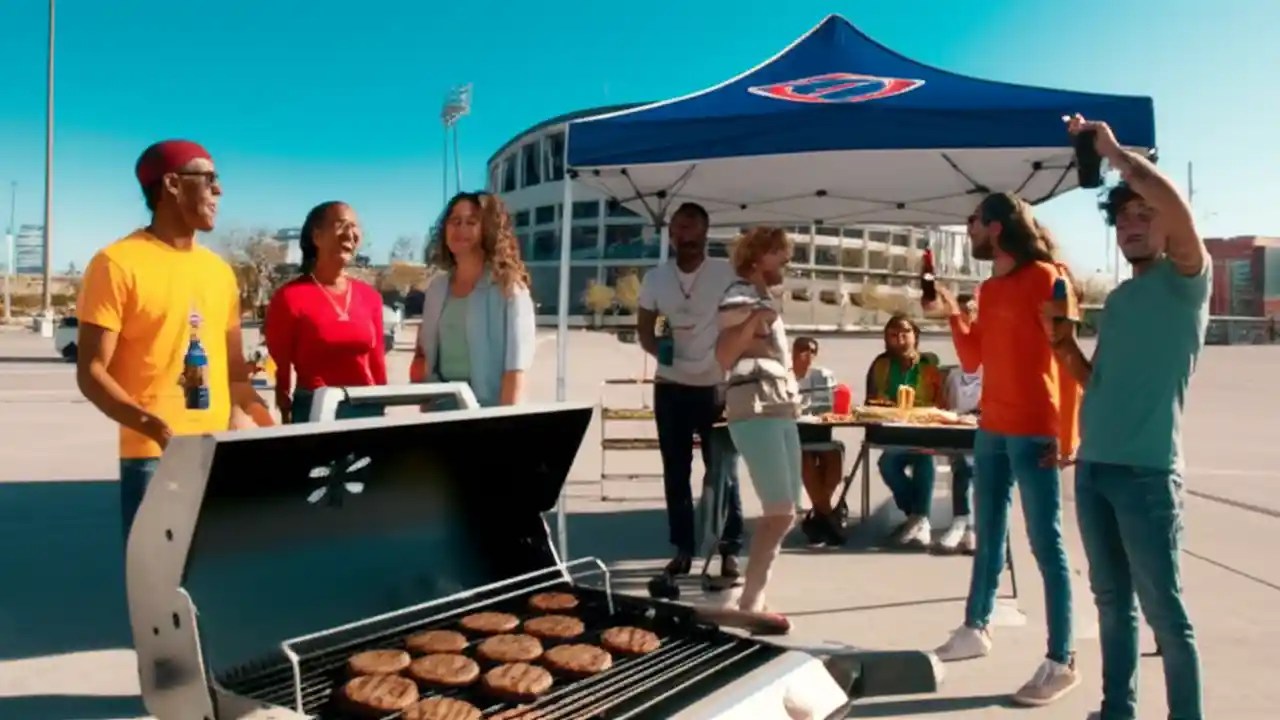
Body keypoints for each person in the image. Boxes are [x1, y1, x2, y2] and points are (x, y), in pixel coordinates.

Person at [1048, 114, 1207, 720]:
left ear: (1170, 224)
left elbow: (1171, 202)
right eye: (1123, 217)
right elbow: (1101, 384)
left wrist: (1113, 151)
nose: (1134, 224)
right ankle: (1118, 709)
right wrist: (1066, 351)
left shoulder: (1186, 281)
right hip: (1095, 470)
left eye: (1146, 214)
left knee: (1166, 613)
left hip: (1146, 475)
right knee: (1112, 601)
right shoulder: (1118, 300)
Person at [926, 192, 1082, 707]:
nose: (967, 231)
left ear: (993, 226)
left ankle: (1062, 660)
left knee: (1046, 545)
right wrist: (953, 311)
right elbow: (974, 358)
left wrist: (1069, 437)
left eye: (970, 222)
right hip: (991, 427)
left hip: (1036, 428)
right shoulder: (989, 289)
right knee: (987, 531)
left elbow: (1067, 362)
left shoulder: (1049, 277)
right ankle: (976, 627)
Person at [76, 139, 274, 540]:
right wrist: (156, 428)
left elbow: (235, 373)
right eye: (209, 179)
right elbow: (92, 372)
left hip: (218, 450)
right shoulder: (116, 264)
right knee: (156, 589)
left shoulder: (219, 272)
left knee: (217, 581)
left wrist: (255, 413)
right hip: (153, 459)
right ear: (171, 183)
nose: (219, 190)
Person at [636, 202, 744, 580]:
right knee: (675, 472)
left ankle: (730, 548)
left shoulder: (726, 273)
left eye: (693, 229)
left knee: (723, 471)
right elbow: (646, 330)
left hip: (716, 386)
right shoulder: (655, 279)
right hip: (670, 388)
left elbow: (742, 322)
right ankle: (683, 548)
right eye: (680, 229)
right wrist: (660, 348)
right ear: (671, 234)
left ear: (706, 233)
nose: (687, 236)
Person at [715, 226, 802, 628]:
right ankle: (750, 601)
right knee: (780, 510)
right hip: (755, 403)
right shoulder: (739, 294)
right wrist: (753, 321)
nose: (787, 259)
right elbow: (724, 353)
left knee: (786, 511)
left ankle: (751, 597)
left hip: (778, 404)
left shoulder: (760, 297)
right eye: (780, 253)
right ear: (758, 257)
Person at [411, 192, 536, 407]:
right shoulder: (436, 288)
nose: (460, 229)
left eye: (471, 222)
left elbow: (515, 369)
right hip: (440, 409)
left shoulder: (510, 289)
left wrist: (504, 424)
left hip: (488, 413)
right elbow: (426, 356)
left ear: (488, 230)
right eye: (455, 221)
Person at [266, 201, 387, 423]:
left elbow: (377, 363)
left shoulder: (370, 297)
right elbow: (280, 367)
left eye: (355, 226)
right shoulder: (289, 297)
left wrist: (382, 405)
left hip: (366, 408)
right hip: (315, 410)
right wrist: (285, 413)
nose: (350, 234)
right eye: (341, 225)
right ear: (317, 237)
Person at [865, 314, 946, 548]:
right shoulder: (881, 365)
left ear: (915, 336)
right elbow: (871, 402)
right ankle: (918, 516)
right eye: (893, 335)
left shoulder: (929, 364)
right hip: (894, 433)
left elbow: (941, 401)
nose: (900, 339)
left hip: (925, 432)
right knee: (887, 464)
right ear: (886, 339)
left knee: (924, 459)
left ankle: (917, 520)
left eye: (905, 334)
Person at [935, 293, 981, 555]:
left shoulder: (993, 367)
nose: (966, 317)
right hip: (958, 432)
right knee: (962, 464)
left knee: (970, 466)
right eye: (961, 313)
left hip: (985, 432)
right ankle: (962, 522)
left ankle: (968, 524)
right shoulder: (952, 375)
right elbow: (945, 407)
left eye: (970, 312)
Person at [791, 336, 846, 547]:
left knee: (834, 454)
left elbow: (826, 408)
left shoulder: (823, 375)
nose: (807, 354)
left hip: (819, 430)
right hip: (793, 433)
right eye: (802, 349)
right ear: (793, 351)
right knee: (803, 458)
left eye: (812, 350)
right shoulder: (784, 376)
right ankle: (829, 518)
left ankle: (820, 516)